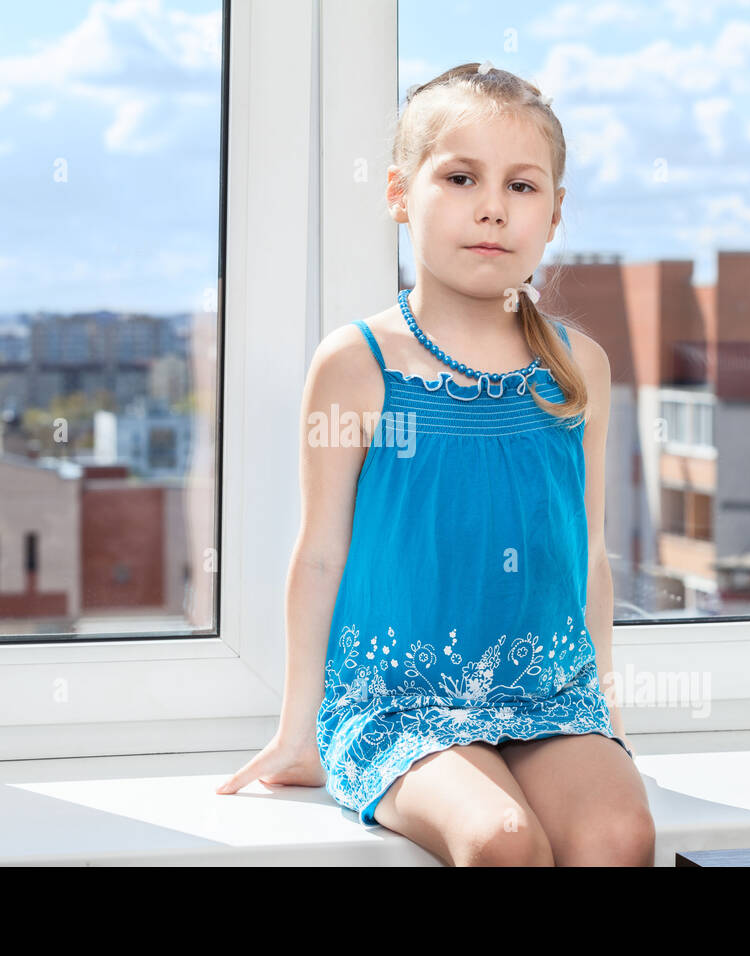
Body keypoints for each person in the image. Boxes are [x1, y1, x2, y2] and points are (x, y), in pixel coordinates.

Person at [216, 61, 655, 867]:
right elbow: (319, 554)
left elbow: (587, 556)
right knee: (501, 839)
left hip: (548, 694)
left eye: (523, 187)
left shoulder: (578, 367)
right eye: (460, 177)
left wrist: (605, 716)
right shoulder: (355, 363)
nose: (492, 206)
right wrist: (296, 730)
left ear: (554, 213)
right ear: (399, 193)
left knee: (619, 834)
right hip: (397, 704)